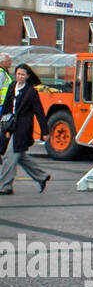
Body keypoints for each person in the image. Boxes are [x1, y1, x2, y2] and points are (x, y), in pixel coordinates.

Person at [0, 63, 51, 195]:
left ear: (28, 76)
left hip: (23, 128)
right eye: (18, 74)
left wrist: (45, 132)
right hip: (11, 126)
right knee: (20, 156)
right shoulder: (12, 87)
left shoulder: (31, 92)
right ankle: (42, 176)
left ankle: (5, 186)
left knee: (9, 157)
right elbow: (6, 106)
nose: (20, 76)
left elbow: (39, 111)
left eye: (23, 74)